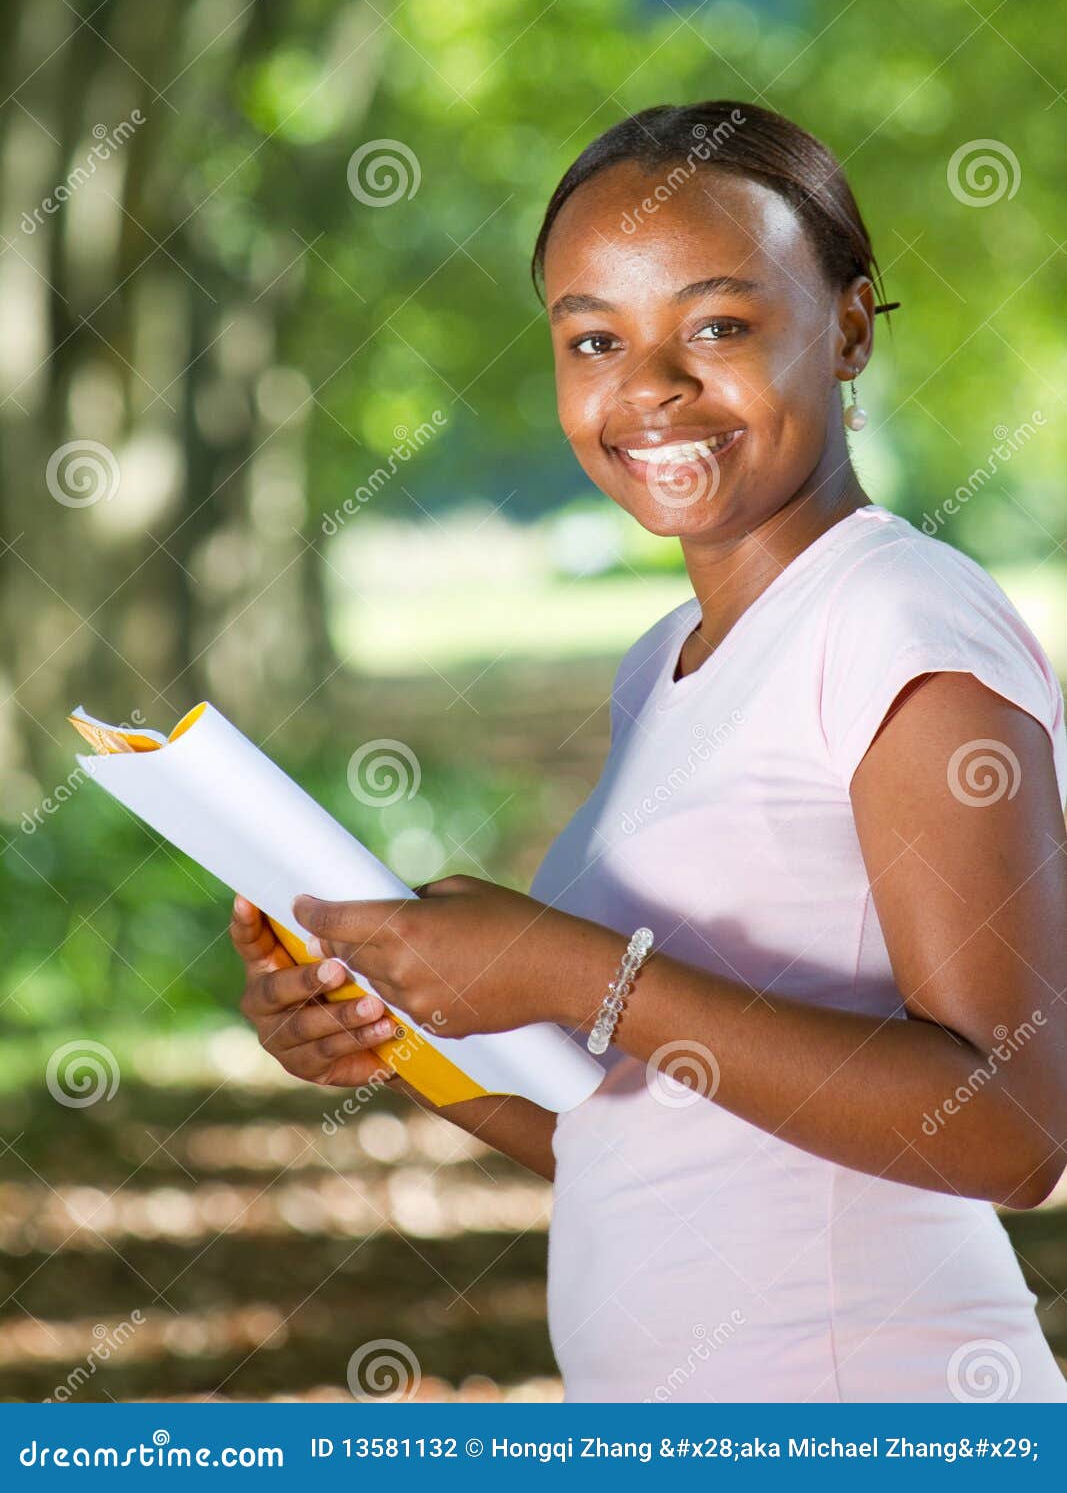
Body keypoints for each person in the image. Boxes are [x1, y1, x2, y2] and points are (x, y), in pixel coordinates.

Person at [229, 101, 1067, 1402]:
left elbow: (1015, 1129)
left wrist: (574, 968)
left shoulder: (901, 620)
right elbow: (642, 1135)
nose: (650, 388)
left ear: (848, 326)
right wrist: (388, 1029)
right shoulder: (671, 659)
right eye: (594, 339)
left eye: (720, 325)